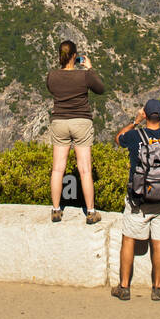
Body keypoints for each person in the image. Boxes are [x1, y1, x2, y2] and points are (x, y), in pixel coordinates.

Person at [111, 99, 160, 302]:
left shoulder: (135, 136)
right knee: (159, 242)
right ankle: (157, 287)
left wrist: (135, 121)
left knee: (128, 240)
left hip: (138, 200)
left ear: (145, 114)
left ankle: (124, 287)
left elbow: (118, 138)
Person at [45, 39, 104, 224]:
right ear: (74, 57)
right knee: (85, 169)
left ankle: (56, 210)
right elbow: (100, 89)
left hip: (60, 122)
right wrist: (89, 69)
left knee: (57, 168)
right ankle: (91, 212)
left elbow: (52, 90)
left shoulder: (52, 76)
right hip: (81, 122)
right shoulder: (84, 76)